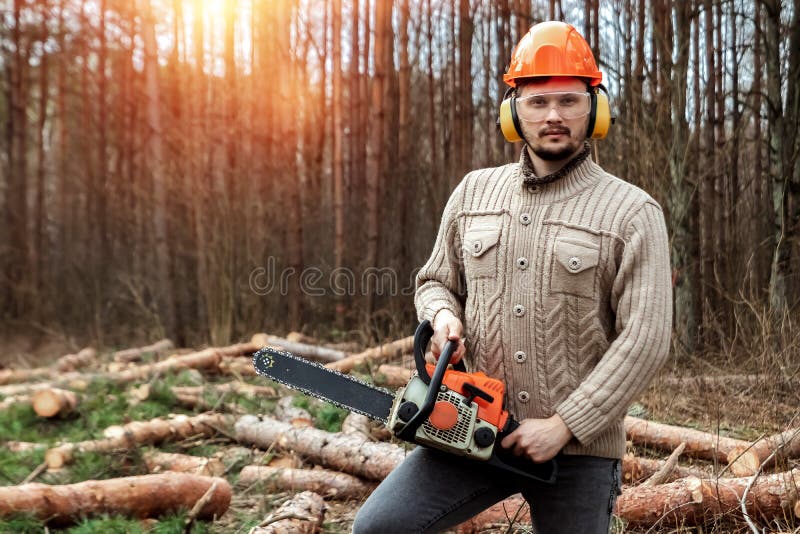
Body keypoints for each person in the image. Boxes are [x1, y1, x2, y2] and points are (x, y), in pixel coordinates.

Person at [352, 21, 671, 534]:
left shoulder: (632, 212)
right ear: (512, 110)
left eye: (569, 101)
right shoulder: (474, 193)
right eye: (538, 101)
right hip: (472, 426)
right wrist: (442, 319)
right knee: (380, 527)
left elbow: (646, 339)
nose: (553, 116)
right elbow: (435, 281)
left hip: (579, 451)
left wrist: (565, 425)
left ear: (596, 108)